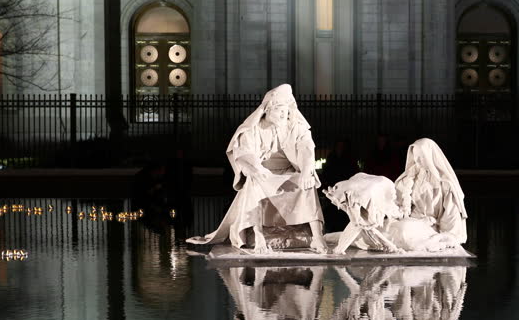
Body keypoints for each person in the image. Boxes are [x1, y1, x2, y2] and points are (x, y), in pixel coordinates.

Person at [186, 84, 327, 253]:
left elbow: (306, 147)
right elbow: (244, 153)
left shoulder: (296, 127)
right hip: (263, 174)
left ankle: (317, 237)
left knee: (308, 183)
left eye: (287, 110)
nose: (285, 114)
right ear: (268, 109)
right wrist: (257, 169)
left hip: (289, 174)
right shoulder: (252, 129)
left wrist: (305, 170)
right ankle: (259, 235)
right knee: (255, 182)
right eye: (281, 109)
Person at [324, 138, 467, 253]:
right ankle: (330, 239)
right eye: (415, 157)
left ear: (430, 156)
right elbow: (395, 203)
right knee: (378, 228)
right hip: (406, 219)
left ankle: (335, 239)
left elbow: (451, 217)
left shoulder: (445, 185)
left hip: (427, 226)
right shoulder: (408, 179)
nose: (417, 161)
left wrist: (447, 234)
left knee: (403, 231)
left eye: (421, 157)